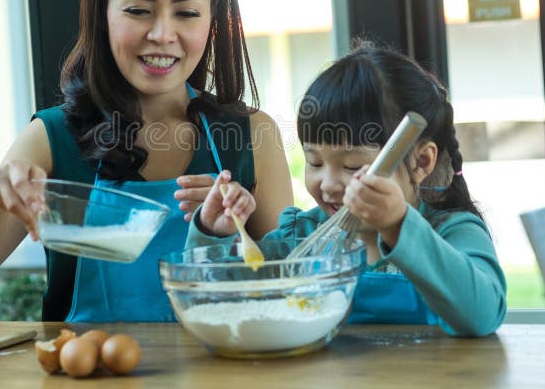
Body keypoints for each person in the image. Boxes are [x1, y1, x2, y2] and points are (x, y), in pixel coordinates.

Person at [0, 0, 293, 322]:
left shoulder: (253, 135)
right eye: (139, 11)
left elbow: (289, 289)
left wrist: (234, 235)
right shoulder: (52, 138)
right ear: (102, 13)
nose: (162, 33)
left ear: (212, 20)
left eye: (187, 13)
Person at [187, 44, 507, 337]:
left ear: (422, 161)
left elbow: (482, 315)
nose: (327, 184)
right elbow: (214, 300)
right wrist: (213, 234)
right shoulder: (299, 238)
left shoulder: (451, 232)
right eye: (314, 162)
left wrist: (398, 225)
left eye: (353, 167)